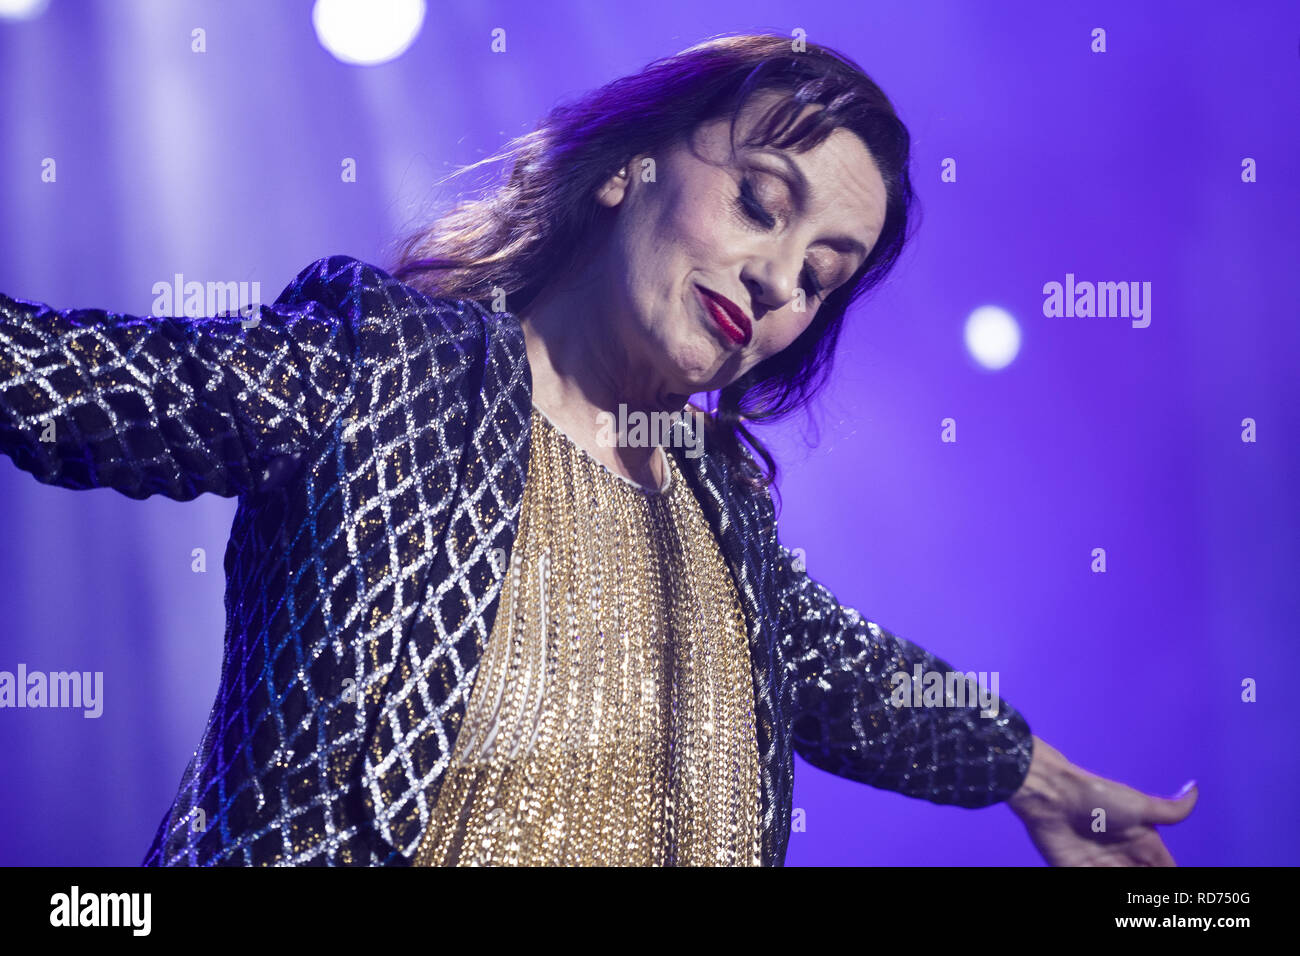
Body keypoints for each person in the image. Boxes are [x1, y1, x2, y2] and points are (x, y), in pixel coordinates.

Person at [0, 33, 1195, 866]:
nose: (780, 278)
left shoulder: (717, 509)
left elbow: (863, 684)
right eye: (760, 203)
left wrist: (1044, 780)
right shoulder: (387, 372)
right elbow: (86, 386)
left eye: (822, 277)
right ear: (632, 164)